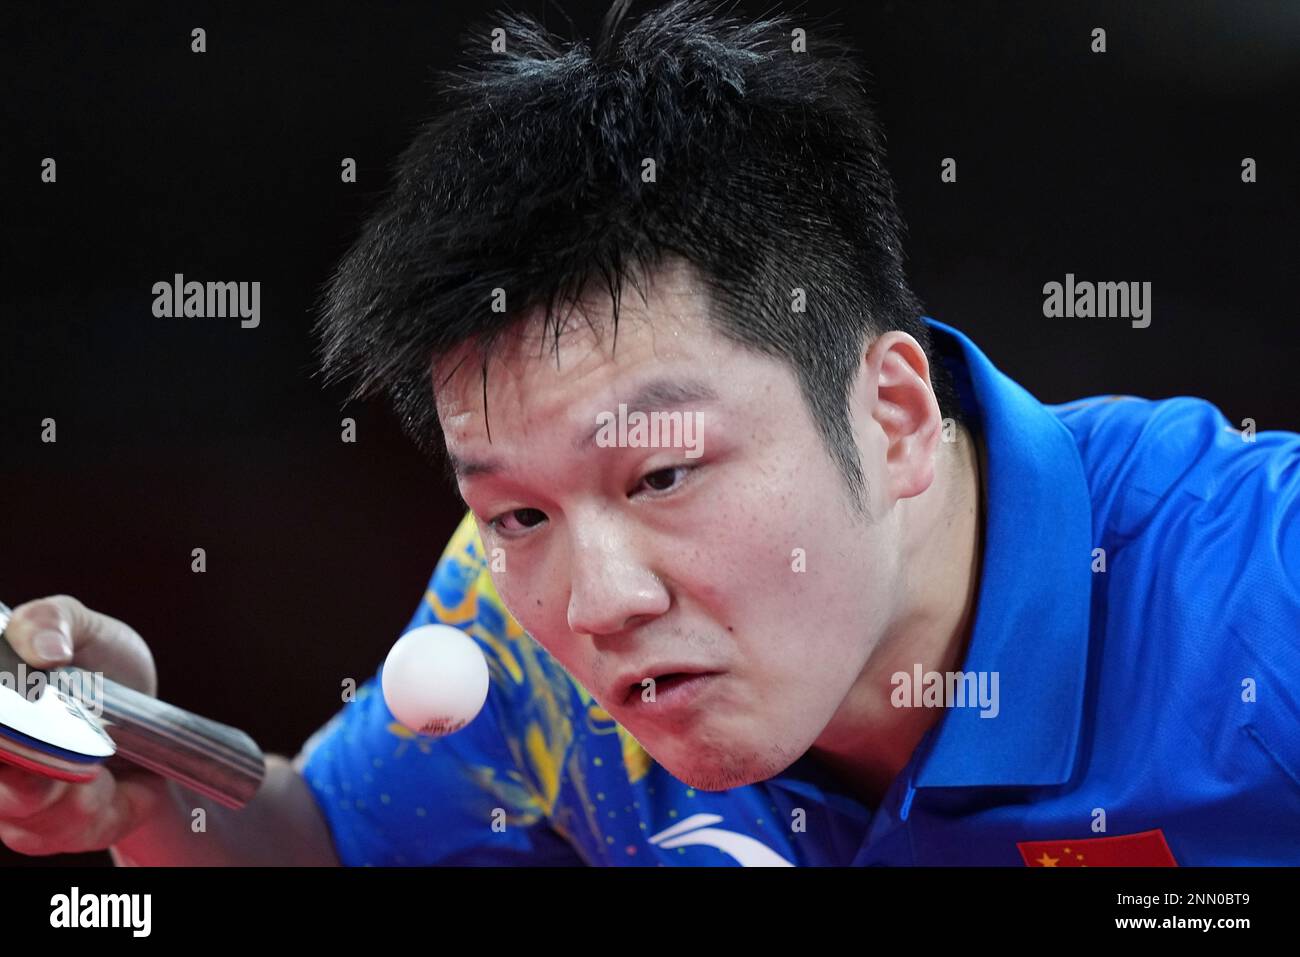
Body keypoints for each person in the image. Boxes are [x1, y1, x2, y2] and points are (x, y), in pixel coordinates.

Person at [2, 0, 1296, 866]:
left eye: (664, 471)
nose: (599, 599)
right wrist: (153, 785)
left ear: (894, 417)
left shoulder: (1257, 596)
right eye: (516, 510)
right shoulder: (513, 624)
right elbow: (327, 840)